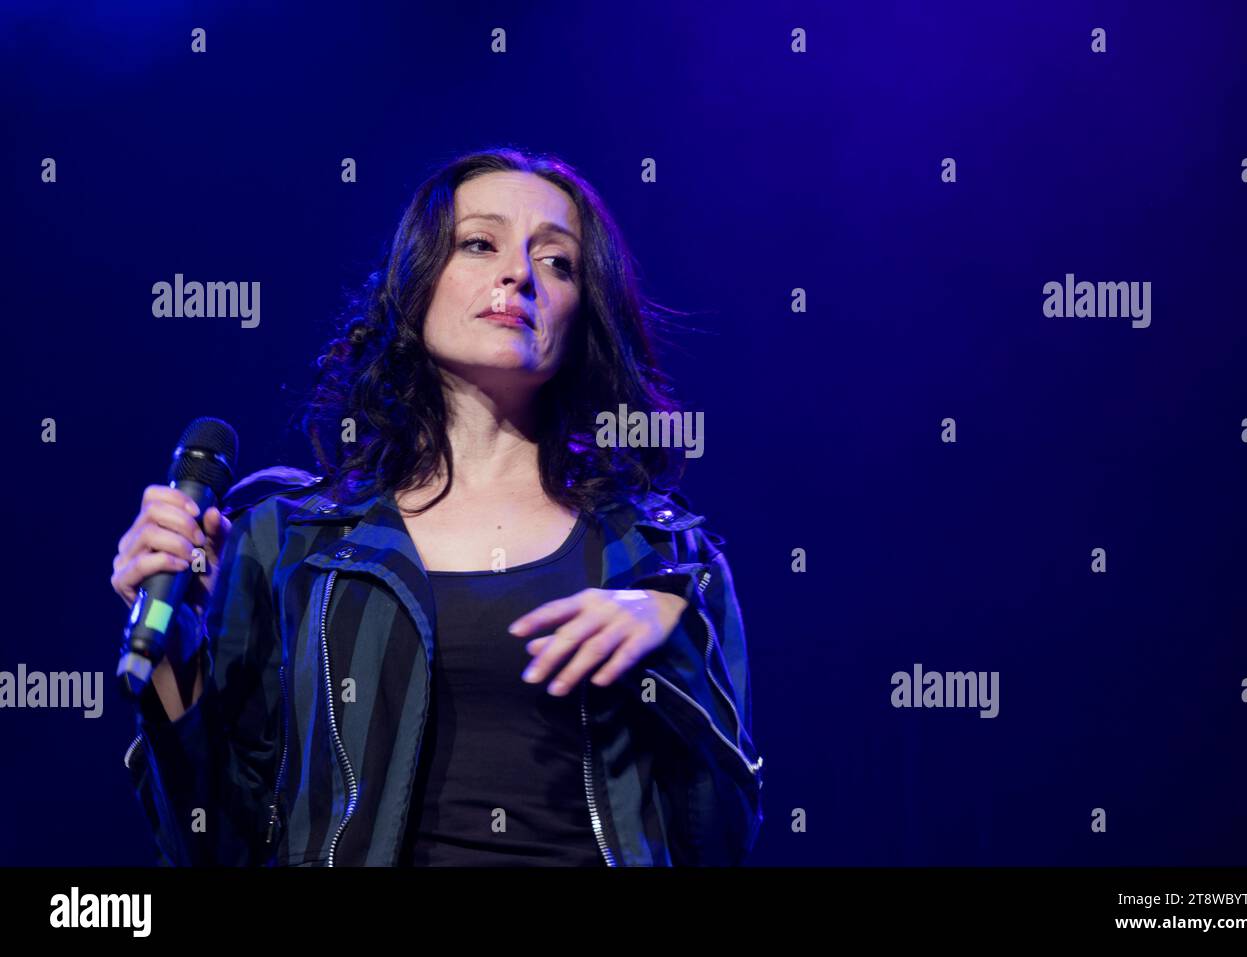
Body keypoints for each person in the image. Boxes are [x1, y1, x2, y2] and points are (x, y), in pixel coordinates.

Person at [110, 147, 763, 867]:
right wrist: (178, 655)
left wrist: (675, 648)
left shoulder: (663, 560)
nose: (518, 273)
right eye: (479, 244)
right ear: (418, 282)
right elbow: (213, 847)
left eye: (558, 262)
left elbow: (720, 844)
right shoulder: (289, 541)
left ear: (584, 317)